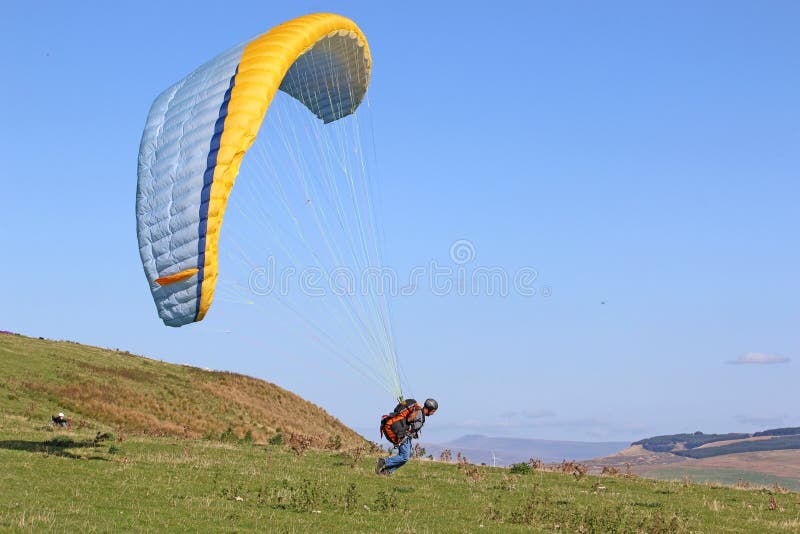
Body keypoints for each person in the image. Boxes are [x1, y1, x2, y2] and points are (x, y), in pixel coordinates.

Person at [376, 398, 437, 476]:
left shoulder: (420, 413)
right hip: (403, 435)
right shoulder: (418, 412)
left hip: (406, 436)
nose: (433, 414)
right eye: (433, 411)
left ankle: (386, 472)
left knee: (404, 458)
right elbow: (409, 419)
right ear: (430, 409)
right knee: (404, 457)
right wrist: (416, 410)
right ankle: (383, 462)